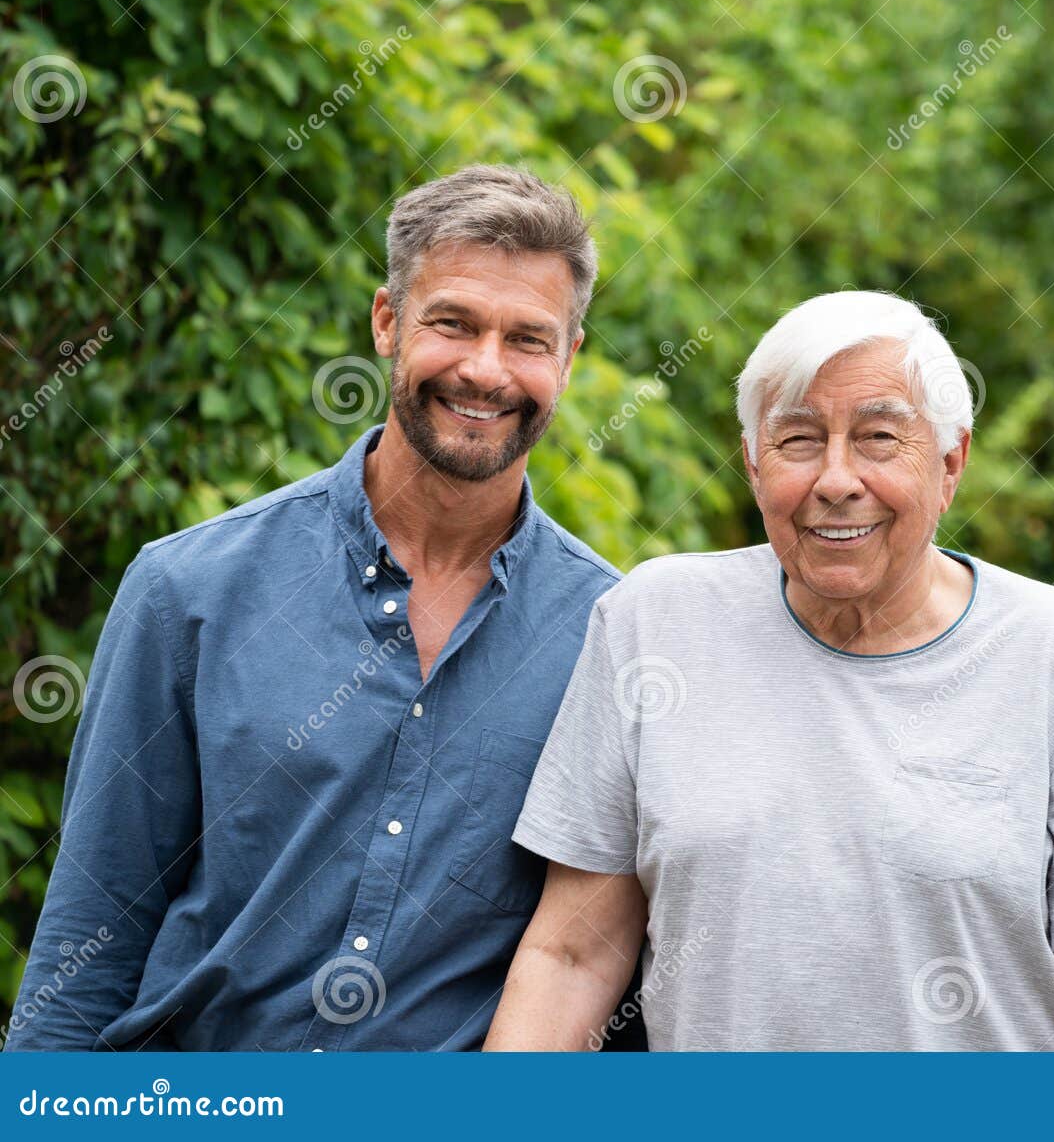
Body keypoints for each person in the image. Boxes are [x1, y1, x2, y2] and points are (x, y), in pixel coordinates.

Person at [6, 165, 622, 1051]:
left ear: (569, 358)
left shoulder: (607, 634)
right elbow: (90, 933)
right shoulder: (189, 592)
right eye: (452, 323)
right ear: (386, 322)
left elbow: (595, 963)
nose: (485, 369)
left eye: (528, 338)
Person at [484, 290, 1054, 1051]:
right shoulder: (652, 622)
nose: (836, 478)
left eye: (880, 437)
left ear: (951, 463)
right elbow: (572, 954)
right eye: (799, 440)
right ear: (755, 466)